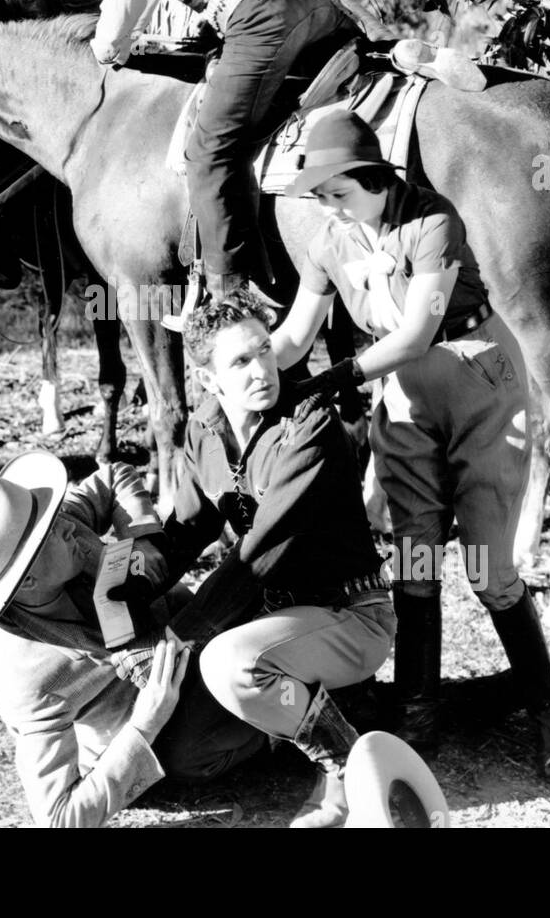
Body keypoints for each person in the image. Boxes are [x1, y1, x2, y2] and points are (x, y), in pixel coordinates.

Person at [270, 108, 550, 779]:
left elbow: (412, 334)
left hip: (476, 380)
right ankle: (419, 712)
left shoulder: (433, 220)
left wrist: (332, 378)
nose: (328, 208)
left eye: (336, 192)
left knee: (490, 567)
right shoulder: (331, 238)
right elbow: (296, 330)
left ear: (369, 175)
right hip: (405, 396)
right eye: (318, 197)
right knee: (412, 558)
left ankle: (546, 703)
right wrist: (252, 367)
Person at [51, 0, 361, 317]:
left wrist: (120, 45)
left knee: (208, 151)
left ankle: (231, 295)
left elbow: (108, 42)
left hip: (261, 23)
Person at [126, 290, 396, 827]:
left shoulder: (310, 425)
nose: (261, 371)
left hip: (348, 614)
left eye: (265, 351)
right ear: (208, 381)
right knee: (187, 755)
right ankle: (293, 717)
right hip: (272, 619)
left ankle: (346, 767)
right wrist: (122, 588)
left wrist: (179, 633)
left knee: (232, 664)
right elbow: (181, 534)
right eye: (241, 361)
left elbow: (260, 551)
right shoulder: (203, 432)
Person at [0, 452, 264, 828]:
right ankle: (276, 730)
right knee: (189, 752)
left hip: (196, 625)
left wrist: (141, 538)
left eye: (57, 515)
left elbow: (113, 476)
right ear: (25, 581)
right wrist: (146, 722)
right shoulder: (26, 679)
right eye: (51, 533)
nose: (68, 525)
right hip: (164, 723)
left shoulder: (61, 525)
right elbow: (59, 819)